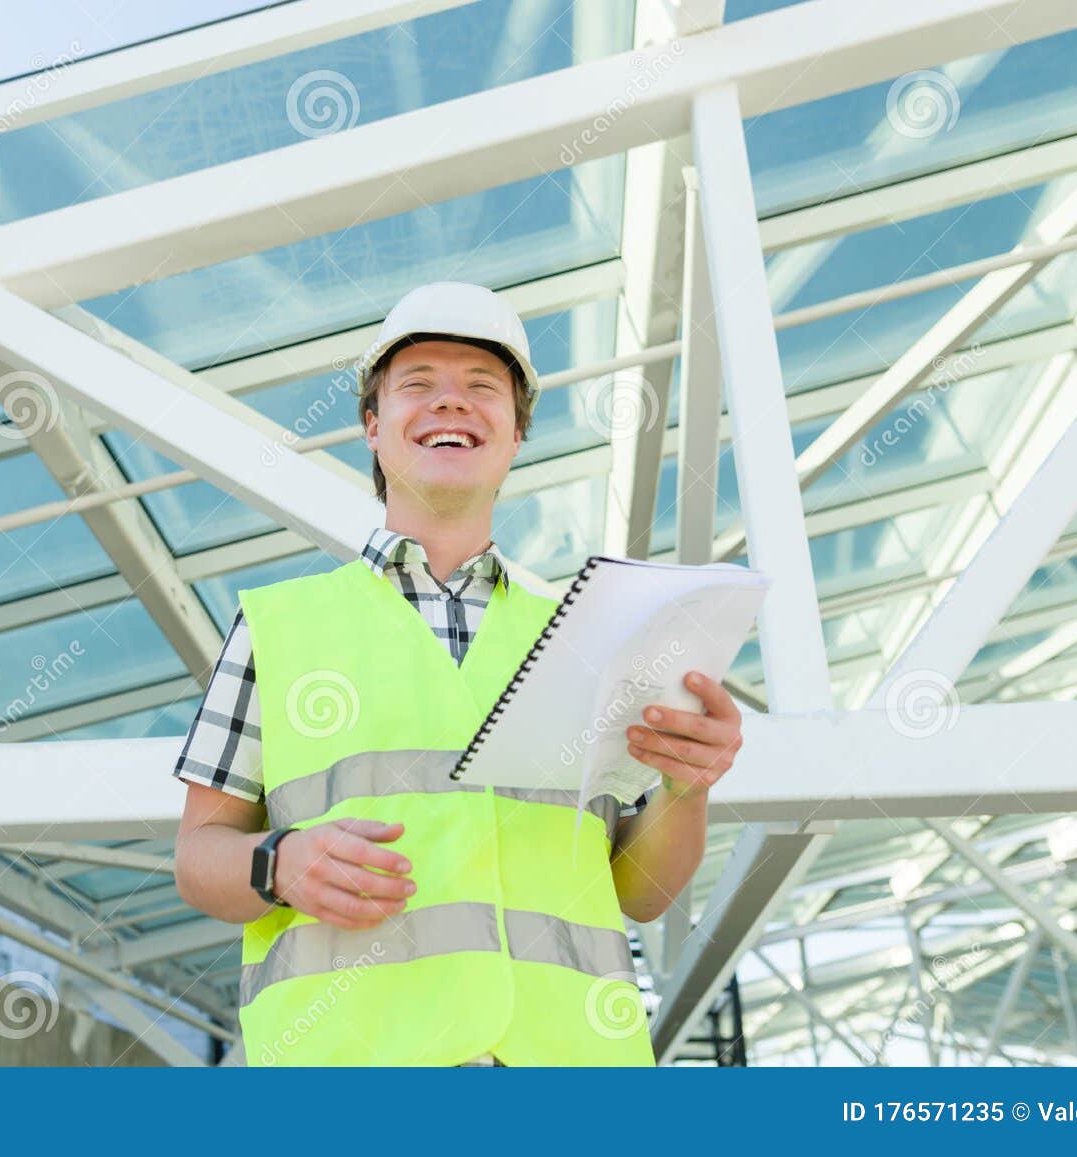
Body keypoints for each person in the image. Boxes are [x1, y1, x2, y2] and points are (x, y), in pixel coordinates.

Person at [172, 282, 745, 1066]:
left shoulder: (587, 632)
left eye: (483, 389)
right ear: (373, 428)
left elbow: (638, 892)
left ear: (514, 437)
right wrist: (278, 862)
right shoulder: (279, 626)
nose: (452, 404)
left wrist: (689, 786)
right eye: (419, 385)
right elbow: (198, 858)